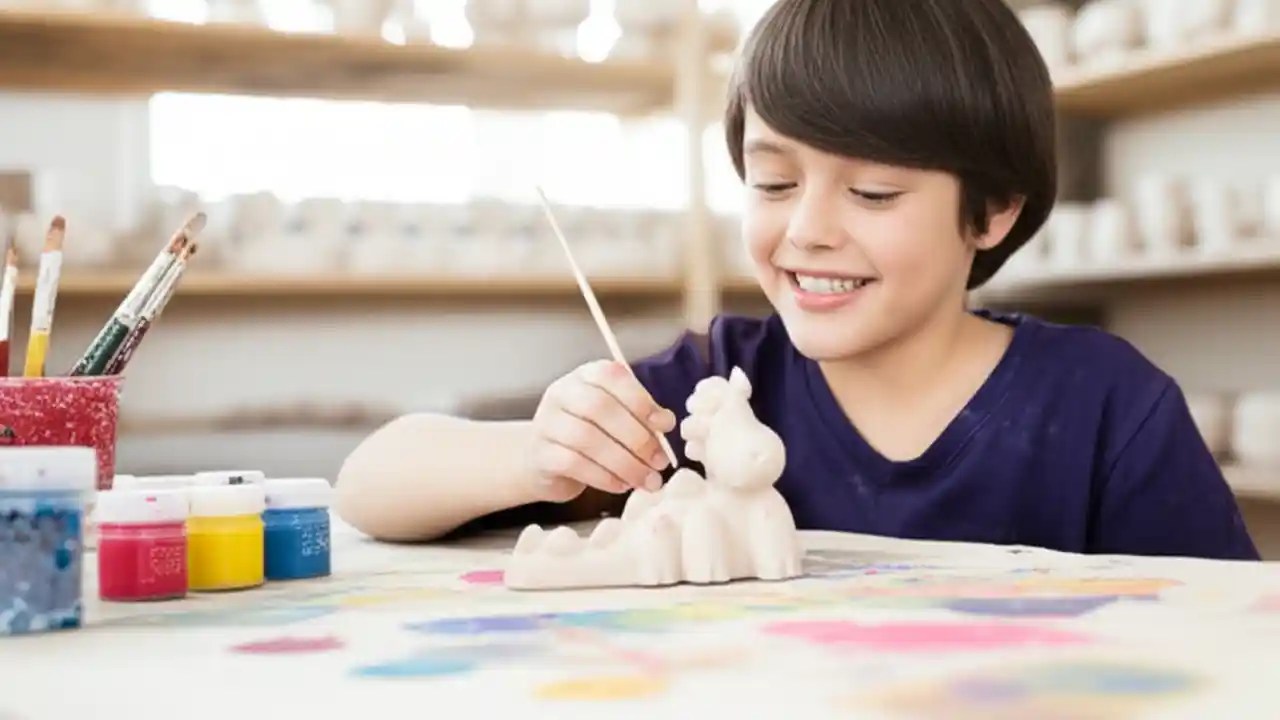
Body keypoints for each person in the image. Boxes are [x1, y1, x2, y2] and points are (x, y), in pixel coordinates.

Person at [334, 0, 1259, 560]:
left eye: (872, 189)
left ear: (993, 211)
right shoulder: (714, 387)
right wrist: (536, 456)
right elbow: (370, 485)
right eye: (773, 182)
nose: (808, 229)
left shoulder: (1107, 406)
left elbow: (1225, 630)